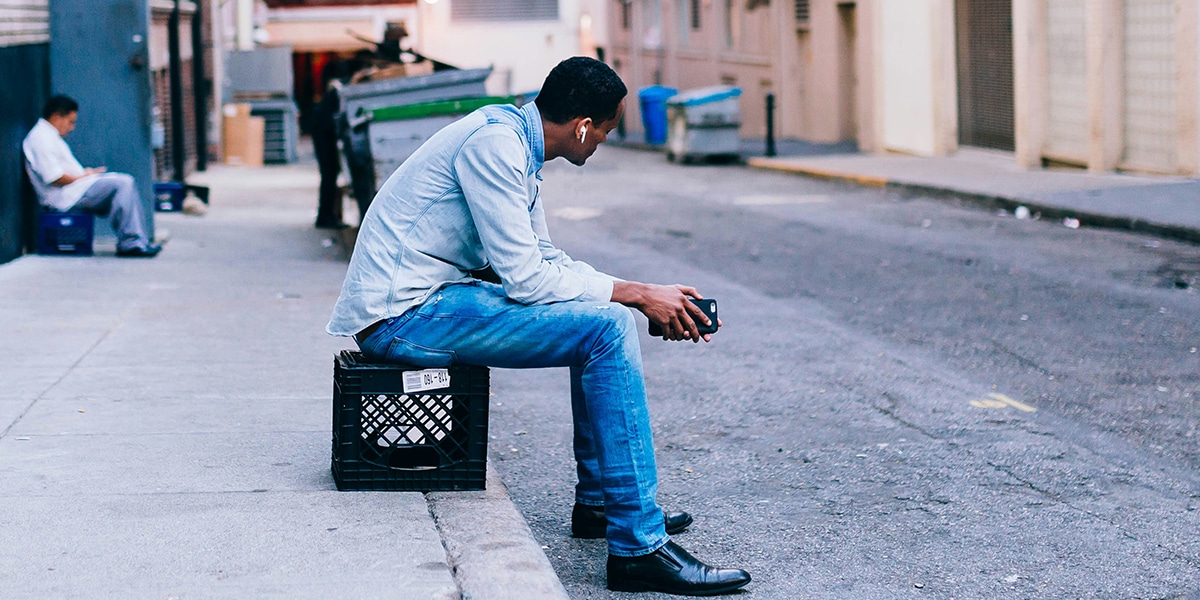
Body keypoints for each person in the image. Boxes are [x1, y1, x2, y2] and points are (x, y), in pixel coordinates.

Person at [327, 57, 751, 596]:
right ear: (581, 125)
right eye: (605, 130)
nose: (601, 142)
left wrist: (640, 295)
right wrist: (638, 296)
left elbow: (544, 259)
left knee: (604, 320)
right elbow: (527, 280)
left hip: (429, 301)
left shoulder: (517, 147)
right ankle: (638, 546)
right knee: (606, 330)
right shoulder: (495, 145)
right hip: (404, 315)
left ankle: (602, 506)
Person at [23, 95, 161, 258]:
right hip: (64, 198)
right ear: (56, 117)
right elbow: (54, 178)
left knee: (122, 186)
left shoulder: (49, 136)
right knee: (123, 183)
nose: (72, 127)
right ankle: (131, 243)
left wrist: (86, 175)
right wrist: (84, 177)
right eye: (70, 121)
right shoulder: (41, 138)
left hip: (73, 192)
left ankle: (134, 242)